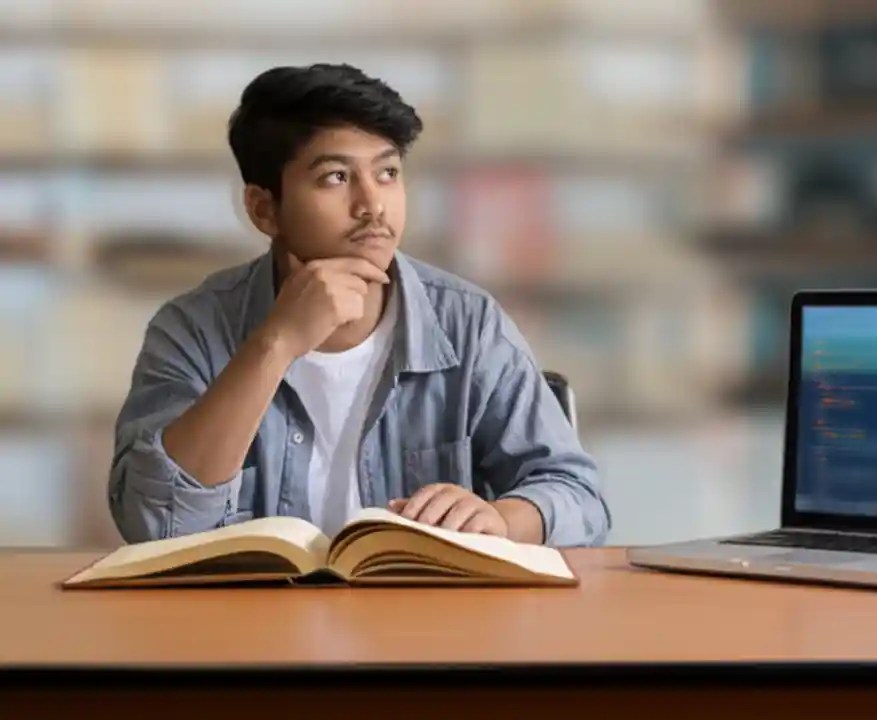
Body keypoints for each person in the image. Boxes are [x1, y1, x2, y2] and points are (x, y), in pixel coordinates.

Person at [107, 63, 610, 547]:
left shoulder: (468, 323)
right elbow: (157, 524)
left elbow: (579, 498)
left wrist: (499, 518)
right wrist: (274, 345)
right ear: (264, 209)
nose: (373, 204)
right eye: (336, 178)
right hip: (250, 629)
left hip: (428, 623)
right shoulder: (191, 329)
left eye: (387, 172)